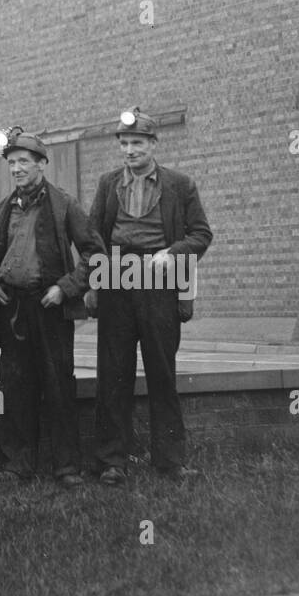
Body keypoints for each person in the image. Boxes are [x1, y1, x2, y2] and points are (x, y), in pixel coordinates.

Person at [88, 108, 213, 485]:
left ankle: (170, 460)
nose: (130, 150)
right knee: (113, 373)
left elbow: (201, 234)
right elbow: (93, 236)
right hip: (116, 275)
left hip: (160, 277)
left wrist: (172, 254)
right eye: (124, 144)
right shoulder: (108, 184)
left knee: (162, 371)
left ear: (153, 144)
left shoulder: (180, 184)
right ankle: (112, 460)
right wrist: (96, 285)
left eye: (137, 143)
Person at [0, 126, 103, 489]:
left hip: (50, 309)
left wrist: (65, 289)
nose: (16, 169)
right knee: (15, 387)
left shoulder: (64, 205)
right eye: (12, 163)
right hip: (12, 309)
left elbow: (96, 255)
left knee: (59, 386)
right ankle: (18, 465)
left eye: (23, 162)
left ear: (41, 165)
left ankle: (66, 467)